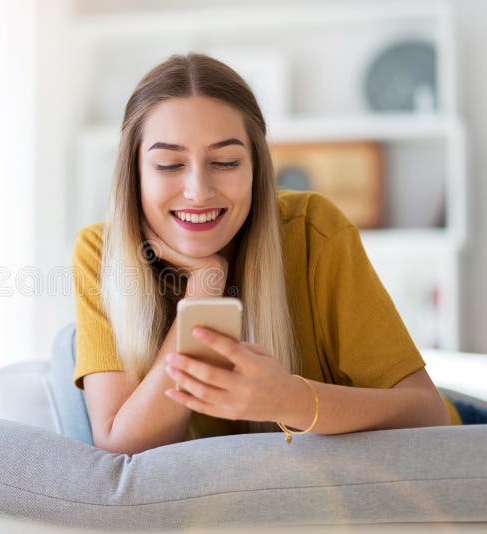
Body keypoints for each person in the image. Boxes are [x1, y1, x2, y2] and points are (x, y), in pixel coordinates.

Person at [70, 53, 480, 456]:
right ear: (134, 173)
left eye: (226, 161)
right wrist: (203, 289)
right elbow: (122, 445)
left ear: (256, 168)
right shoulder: (102, 255)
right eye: (169, 164)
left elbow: (427, 413)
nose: (198, 190)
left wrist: (287, 400)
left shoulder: (312, 229)